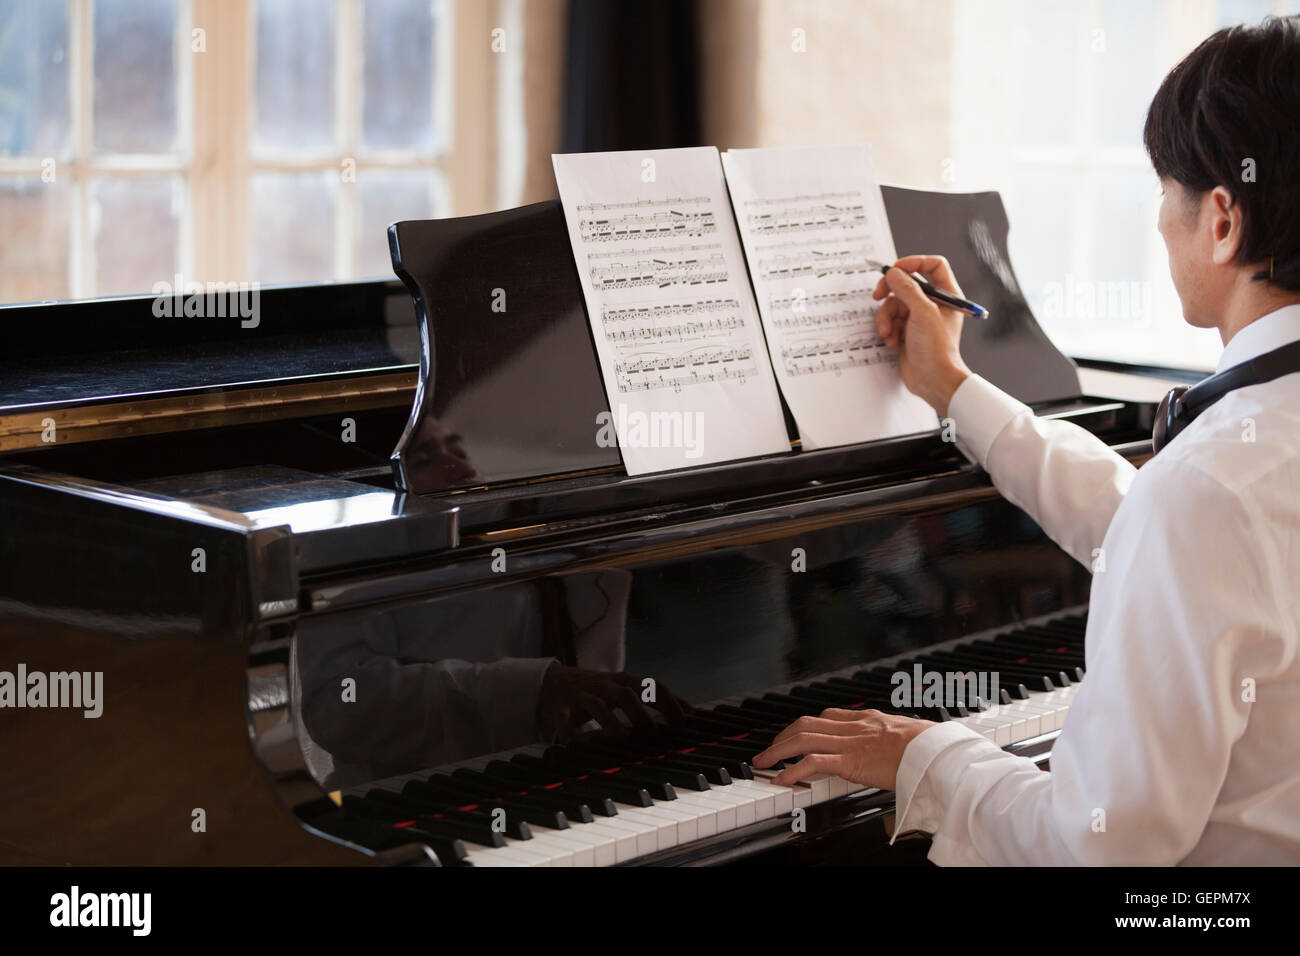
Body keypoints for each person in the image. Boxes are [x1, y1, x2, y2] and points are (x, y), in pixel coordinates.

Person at [752, 16, 1300, 864]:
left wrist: (924, 754)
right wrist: (954, 391)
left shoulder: (1209, 488)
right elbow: (1183, 539)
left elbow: (1095, 847)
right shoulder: (1238, 467)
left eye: (1165, 191)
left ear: (1222, 220)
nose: (1159, 222)